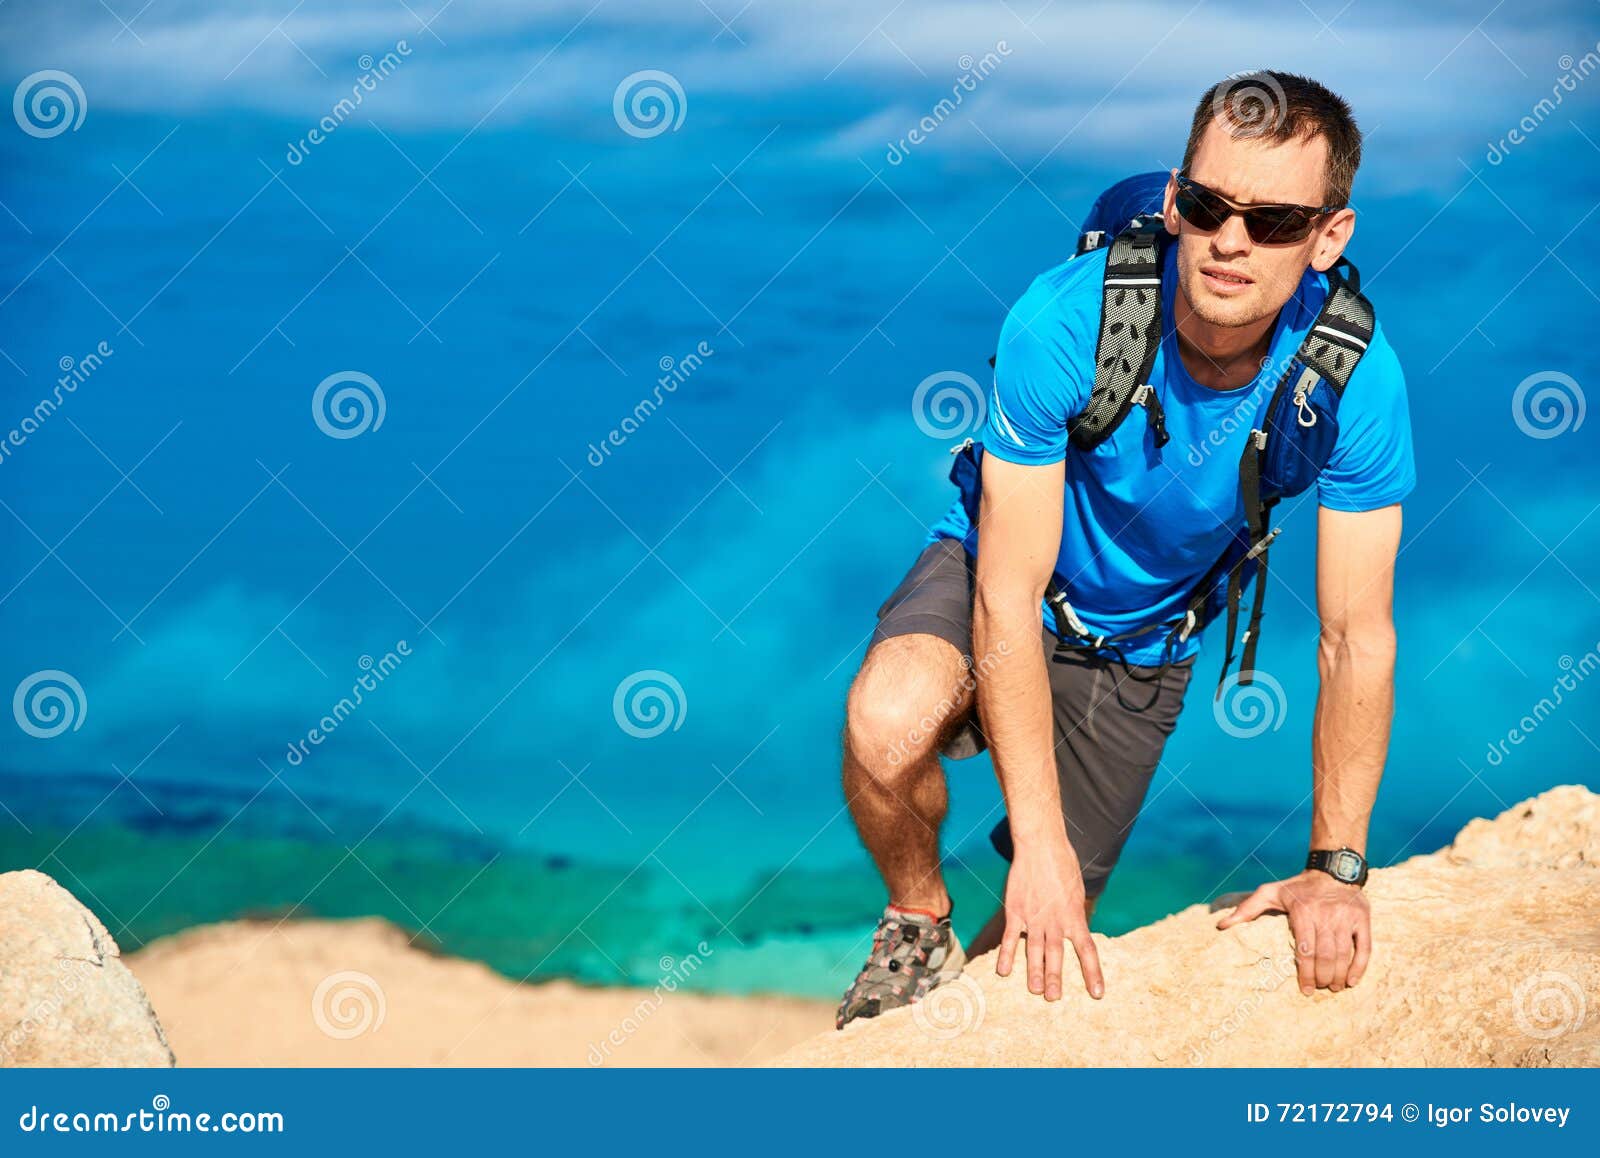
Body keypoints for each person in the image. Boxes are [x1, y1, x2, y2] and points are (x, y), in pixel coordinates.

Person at [835, 70, 1415, 1029]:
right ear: (1176, 200)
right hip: (1002, 572)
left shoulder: (1352, 381)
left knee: (1031, 961)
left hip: (1146, 645)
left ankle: (946, 1008)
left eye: (1273, 222)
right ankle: (918, 917)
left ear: (1328, 238)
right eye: (1209, 206)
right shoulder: (1068, 321)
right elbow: (1007, 595)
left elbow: (1357, 637)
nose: (1230, 241)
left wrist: (1335, 870)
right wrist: (1039, 843)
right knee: (884, 725)